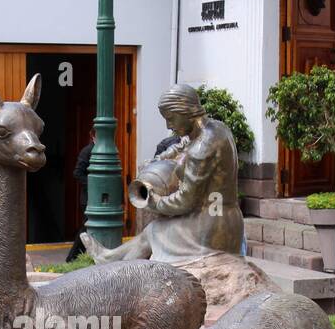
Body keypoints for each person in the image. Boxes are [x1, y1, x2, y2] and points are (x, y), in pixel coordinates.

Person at [80, 84, 243, 265]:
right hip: (226, 219)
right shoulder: (217, 128)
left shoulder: (202, 147)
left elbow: (185, 201)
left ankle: (112, 267)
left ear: (184, 111)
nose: (168, 125)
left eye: (170, 118)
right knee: (153, 231)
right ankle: (109, 260)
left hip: (211, 227)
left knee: (153, 231)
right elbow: (182, 145)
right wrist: (161, 158)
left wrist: (154, 202)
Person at [65, 130, 94, 262]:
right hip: (88, 197)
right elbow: (77, 173)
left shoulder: (109, 149)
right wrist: (93, 184)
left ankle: (76, 257)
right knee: (86, 227)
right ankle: (72, 257)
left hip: (99, 199)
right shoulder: (87, 151)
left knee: (88, 228)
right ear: (93, 136)